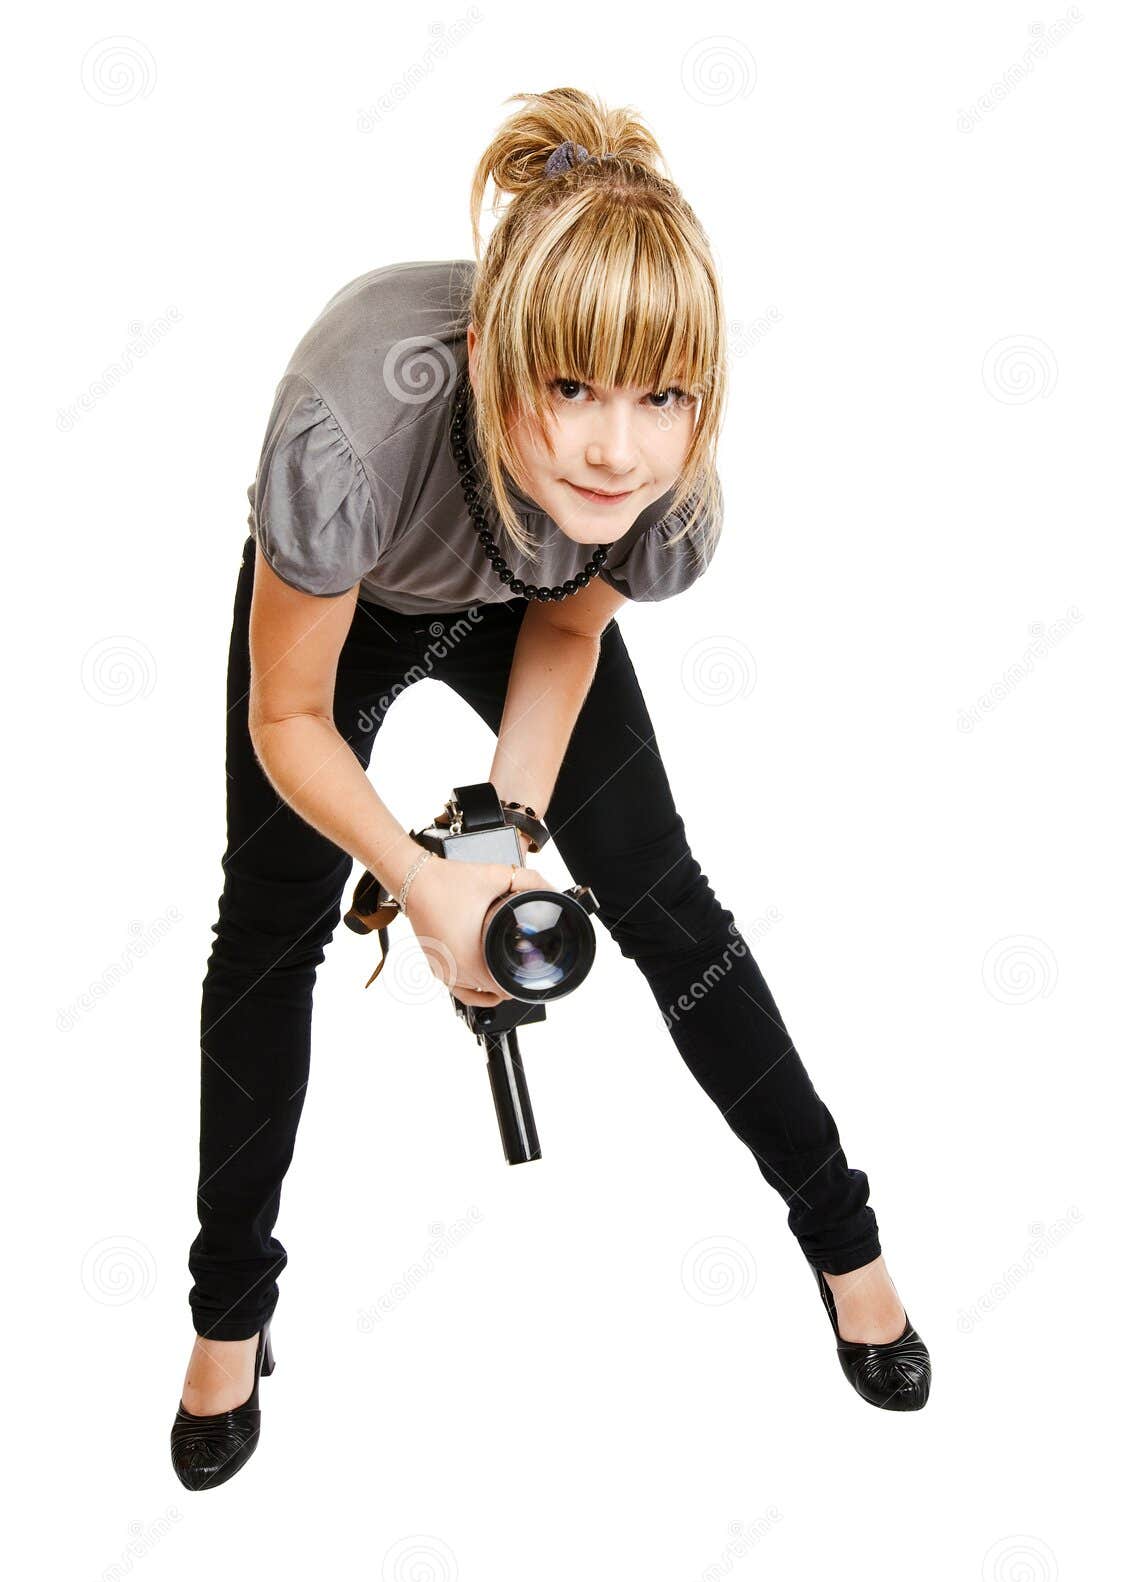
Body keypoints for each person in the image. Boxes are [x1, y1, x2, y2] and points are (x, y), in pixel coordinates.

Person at [171, 87, 931, 1492]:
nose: (614, 447)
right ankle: (230, 1312)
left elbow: (571, 620)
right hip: (348, 599)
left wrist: (507, 839)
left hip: (522, 604)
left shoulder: (658, 490)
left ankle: (847, 1239)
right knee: (264, 927)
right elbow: (289, 712)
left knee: (670, 905)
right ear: (488, 349)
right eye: (571, 387)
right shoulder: (346, 429)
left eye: (661, 396)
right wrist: (416, 879)